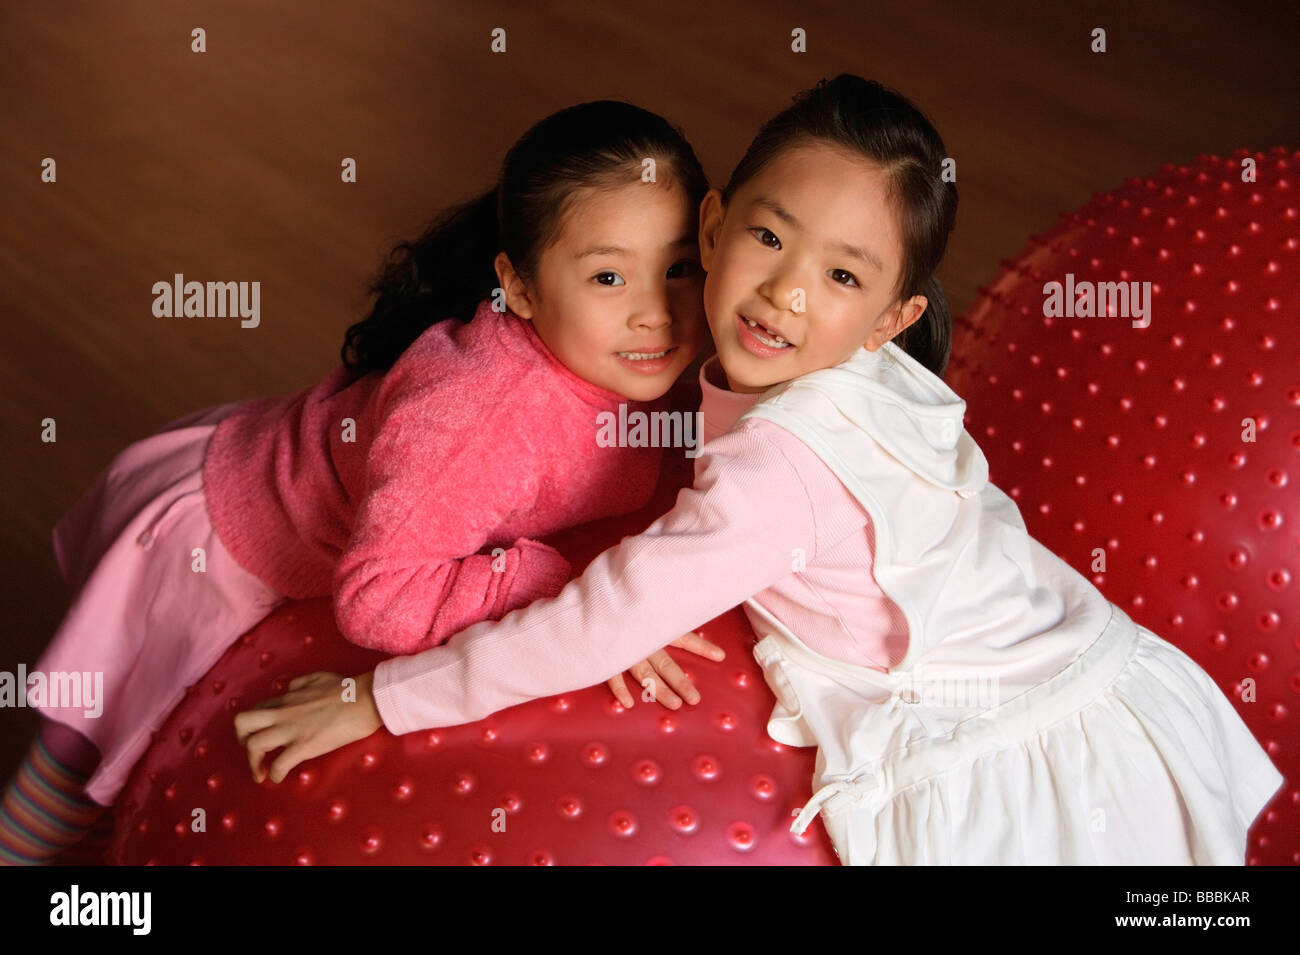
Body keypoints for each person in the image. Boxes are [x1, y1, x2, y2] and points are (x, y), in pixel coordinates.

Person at [237, 75, 1284, 865]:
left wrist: (384, 702)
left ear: (890, 320)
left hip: (1029, 745)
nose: (782, 295)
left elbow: (598, 622)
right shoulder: (840, 370)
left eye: (838, 275)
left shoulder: (780, 468)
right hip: (1095, 675)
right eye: (768, 239)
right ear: (713, 222)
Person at [0, 99, 718, 864]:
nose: (656, 312)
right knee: (83, 757)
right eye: (608, 275)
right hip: (220, 539)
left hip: (299, 456)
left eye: (679, 267)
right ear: (523, 288)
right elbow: (381, 595)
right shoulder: (480, 417)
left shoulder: (648, 362)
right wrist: (571, 585)